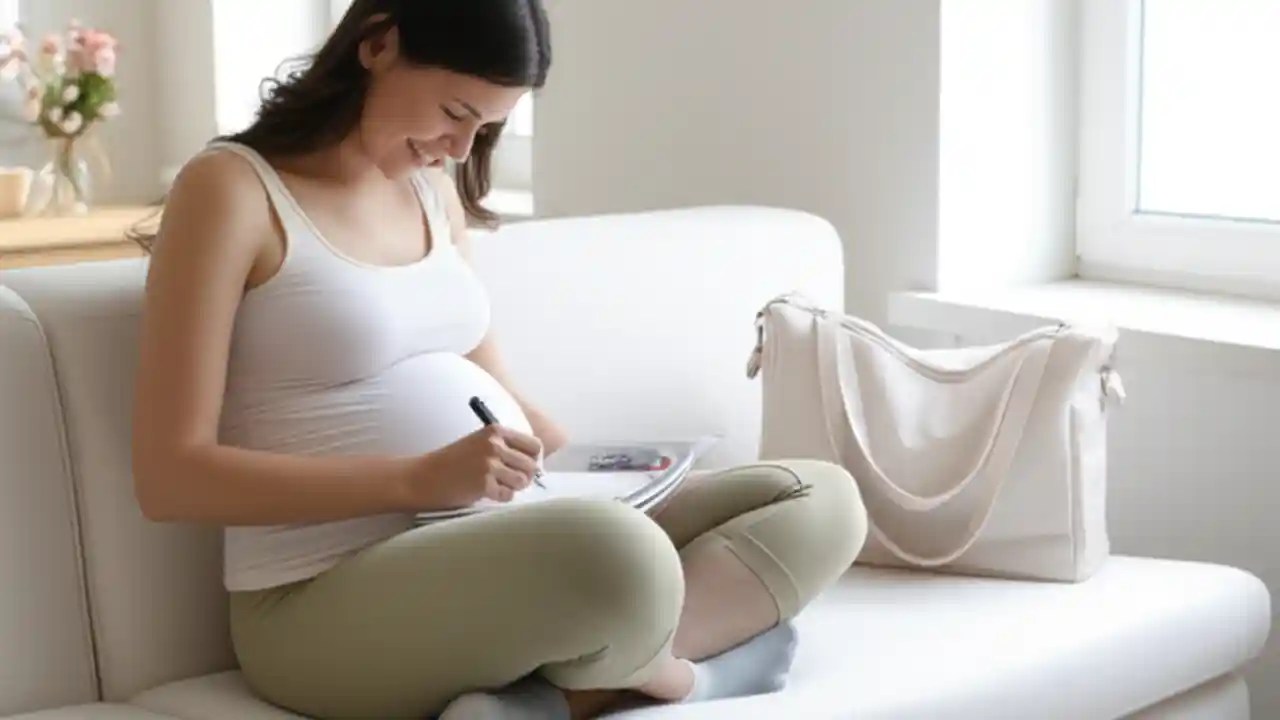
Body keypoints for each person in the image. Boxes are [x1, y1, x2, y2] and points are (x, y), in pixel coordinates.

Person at [129, 1, 868, 718]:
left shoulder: (429, 191)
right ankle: (678, 677)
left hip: (498, 531)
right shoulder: (229, 190)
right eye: (455, 113)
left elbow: (492, 387)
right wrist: (418, 478)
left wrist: (608, 470)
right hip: (319, 598)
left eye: (486, 127)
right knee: (624, 560)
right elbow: (170, 477)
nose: (459, 149)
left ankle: (554, 698)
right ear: (379, 43)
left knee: (822, 500)